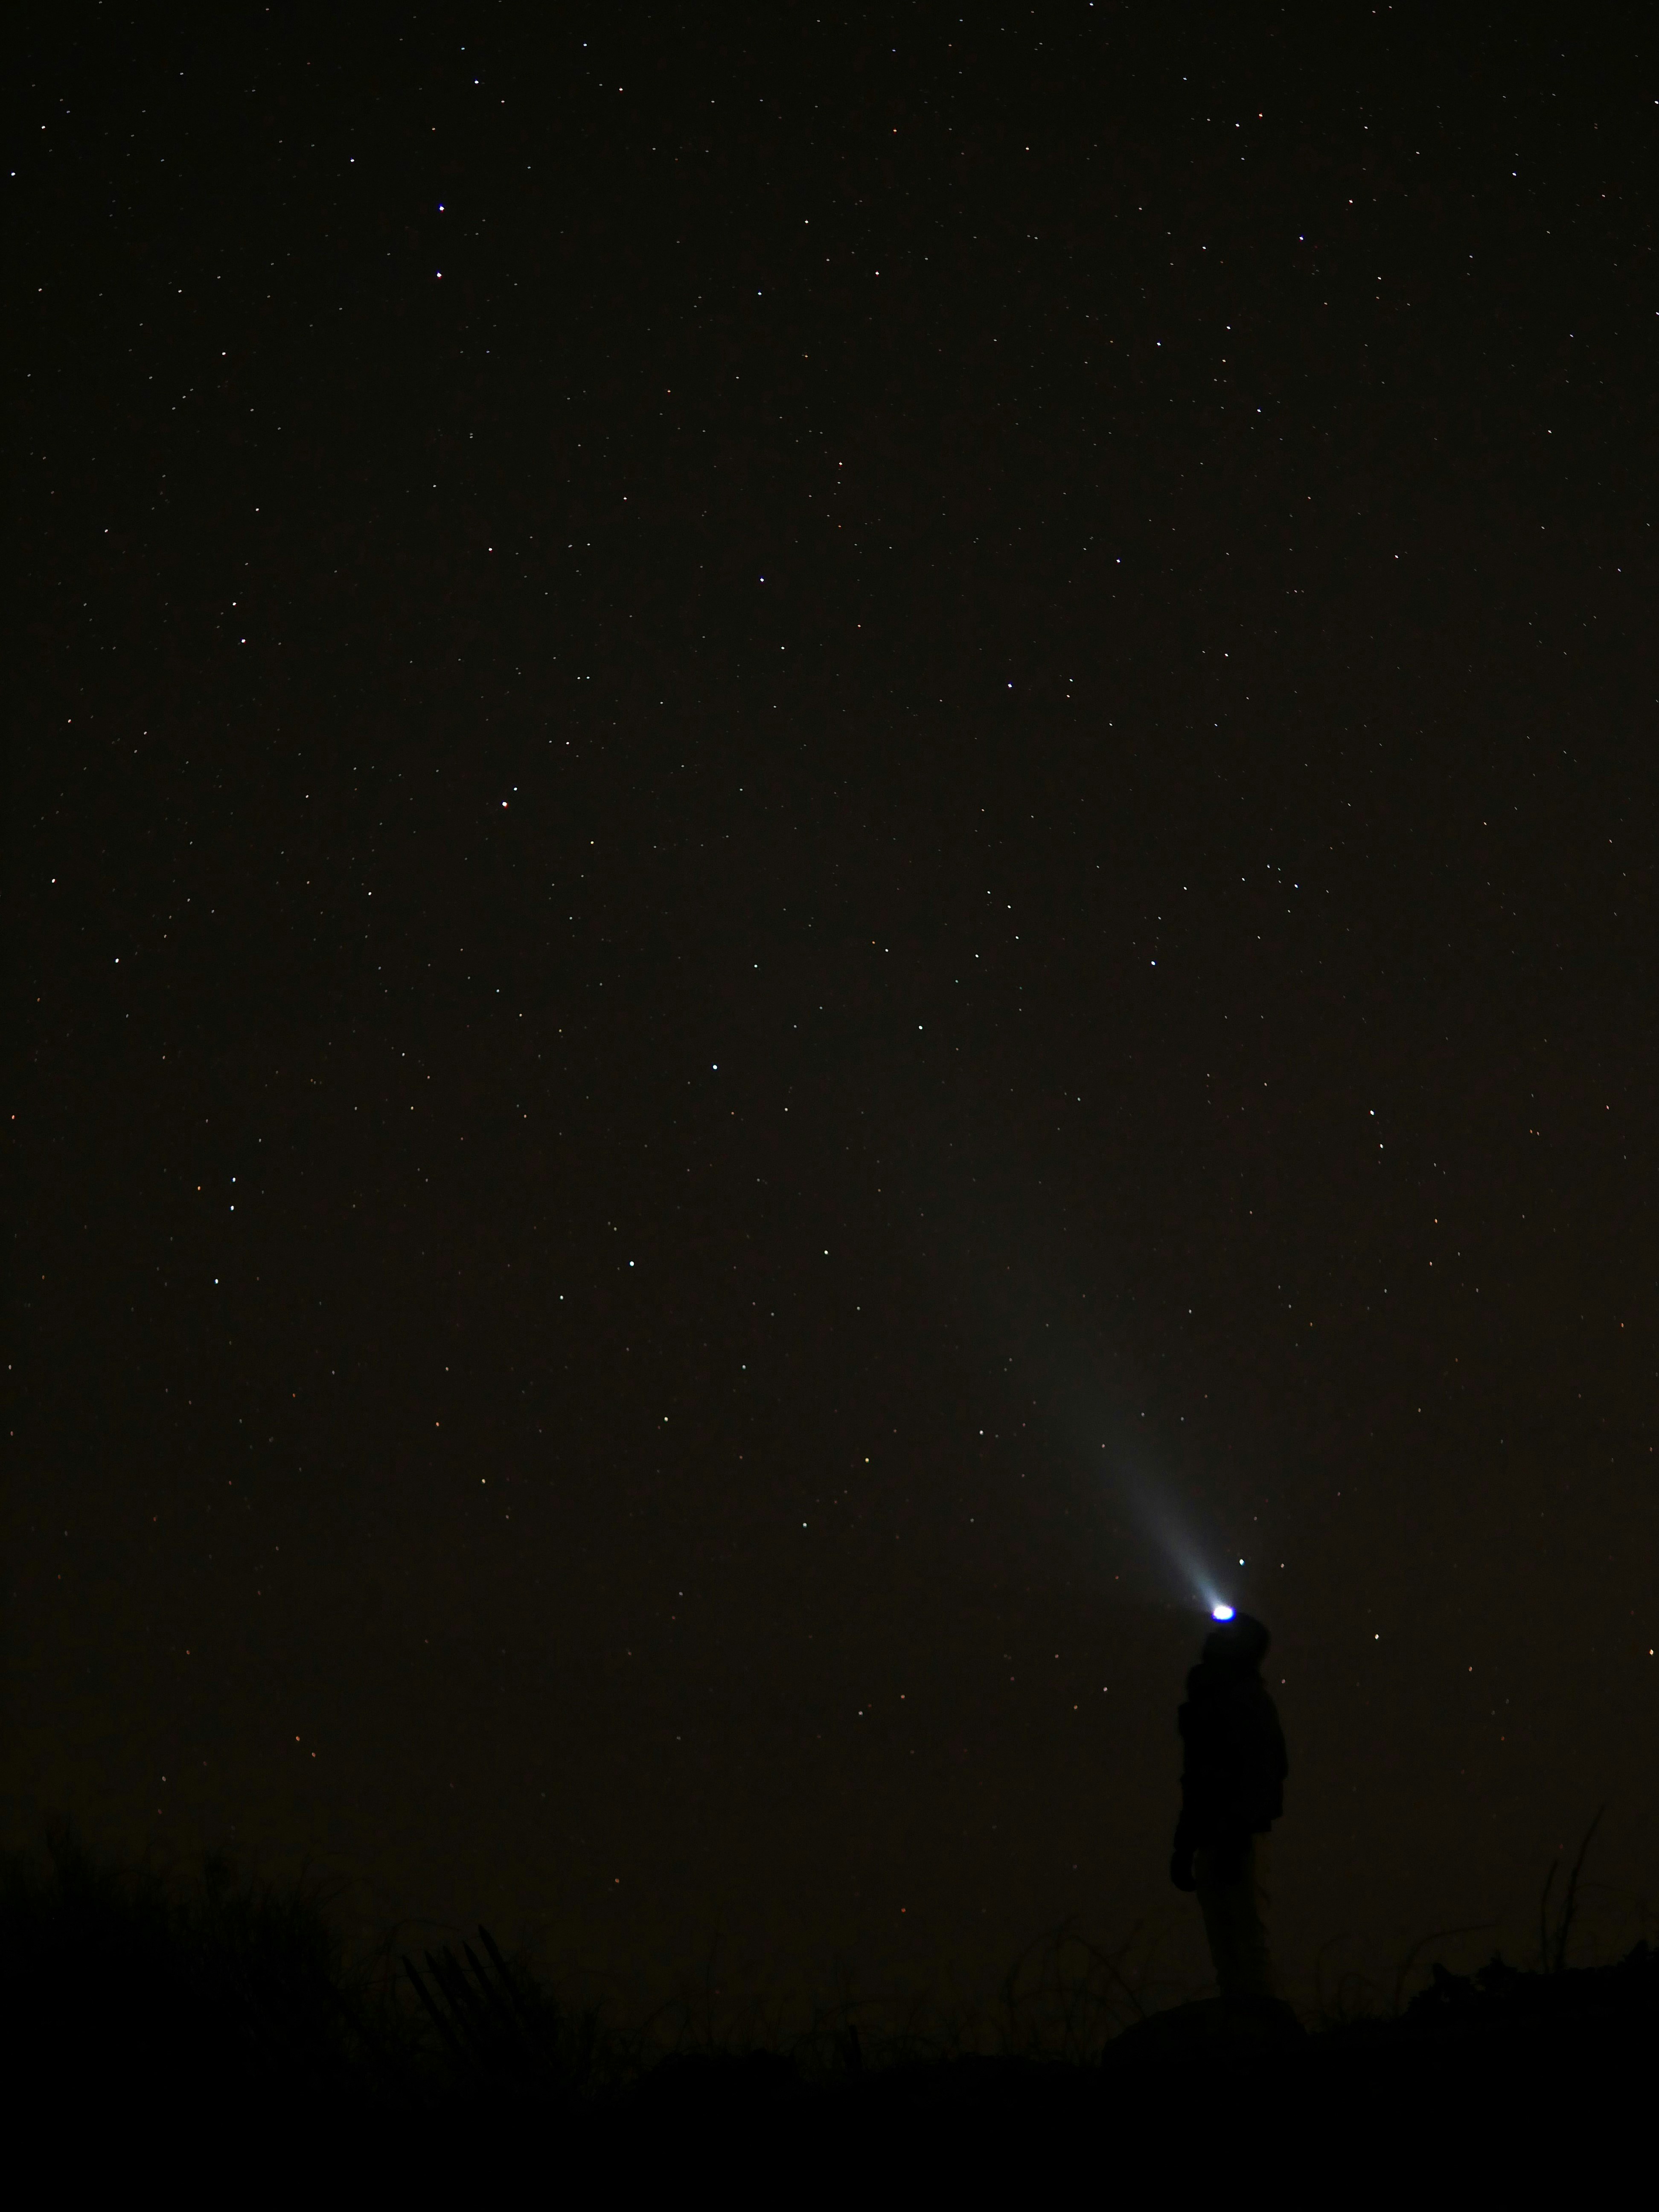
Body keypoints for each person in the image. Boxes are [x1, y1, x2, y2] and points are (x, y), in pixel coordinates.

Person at [1169, 1611, 1287, 2006]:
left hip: (1233, 1836)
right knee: (1232, 1942)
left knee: (1242, 1940)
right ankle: (1248, 2030)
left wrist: (1232, 1833)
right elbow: (1200, 1778)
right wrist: (1187, 1845)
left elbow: (1260, 1772)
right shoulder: (1221, 1700)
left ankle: (1258, 2033)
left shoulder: (1240, 1701)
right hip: (1219, 1835)